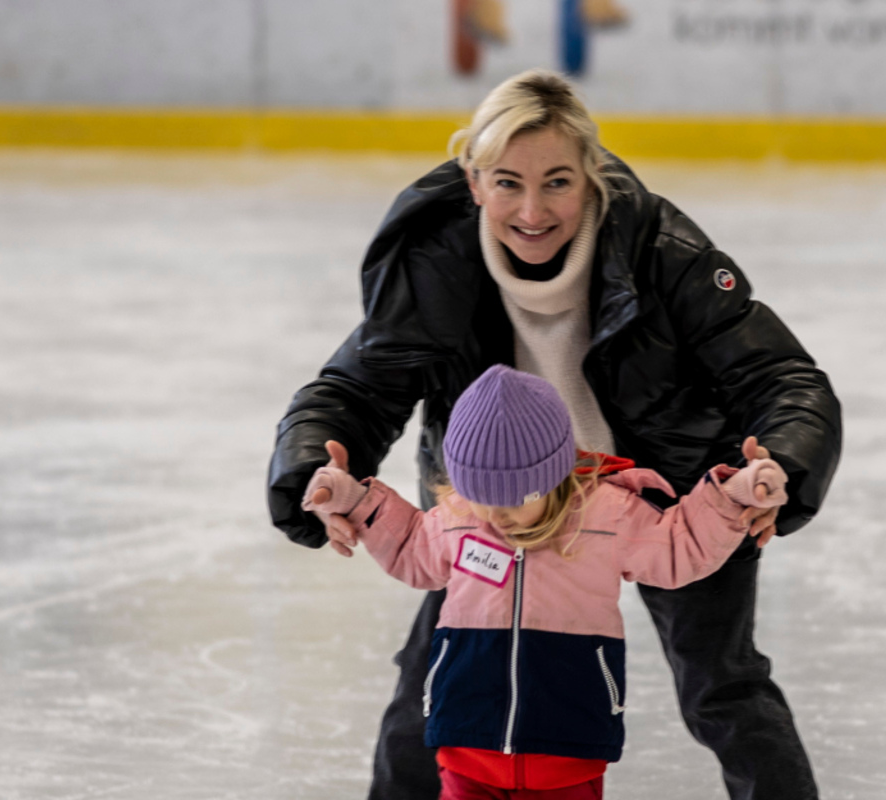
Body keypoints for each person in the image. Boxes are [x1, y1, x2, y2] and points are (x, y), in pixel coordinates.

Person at [266, 69, 841, 800]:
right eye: (508, 182)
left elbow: (783, 377)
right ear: (474, 182)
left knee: (721, 684)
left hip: (668, 497)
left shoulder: (664, 253)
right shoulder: (438, 262)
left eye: (558, 182)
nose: (532, 211)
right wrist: (311, 467)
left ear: (591, 176)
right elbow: (357, 385)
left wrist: (783, 465)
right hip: (499, 501)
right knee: (431, 690)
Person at [302, 365, 790, 800]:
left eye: (514, 500)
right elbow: (411, 545)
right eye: (481, 498)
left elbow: (679, 545)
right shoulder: (459, 517)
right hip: (467, 740)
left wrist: (733, 495)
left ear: (554, 478)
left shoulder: (607, 515)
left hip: (567, 741)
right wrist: (353, 500)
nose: (496, 516)